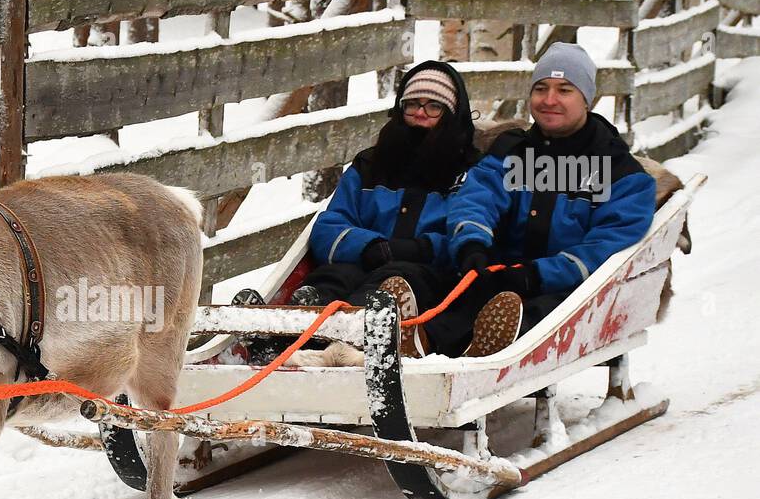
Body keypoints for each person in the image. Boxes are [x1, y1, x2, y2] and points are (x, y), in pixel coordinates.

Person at [435, 42, 657, 356]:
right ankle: (417, 346)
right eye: (541, 88)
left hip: (572, 290)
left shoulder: (620, 172)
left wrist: (538, 275)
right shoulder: (512, 151)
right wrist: (472, 243)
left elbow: (606, 246)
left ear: (587, 99)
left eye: (564, 90)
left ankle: (486, 352)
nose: (549, 100)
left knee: (539, 310)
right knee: (455, 288)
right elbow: (477, 198)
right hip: (503, 274)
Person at [280, 60, 480, 365]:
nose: (420, 114)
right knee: (336, 275)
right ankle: (288, 328)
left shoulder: (470, 171)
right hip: (363, 261)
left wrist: (415, 248)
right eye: (411, 105)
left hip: (428, 276)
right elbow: (330, 224)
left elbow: (471, 232)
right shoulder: (371, 165)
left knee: (393, 280)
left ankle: (347, 340)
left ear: (452, 113)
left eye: (433, 107)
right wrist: (369, 246)